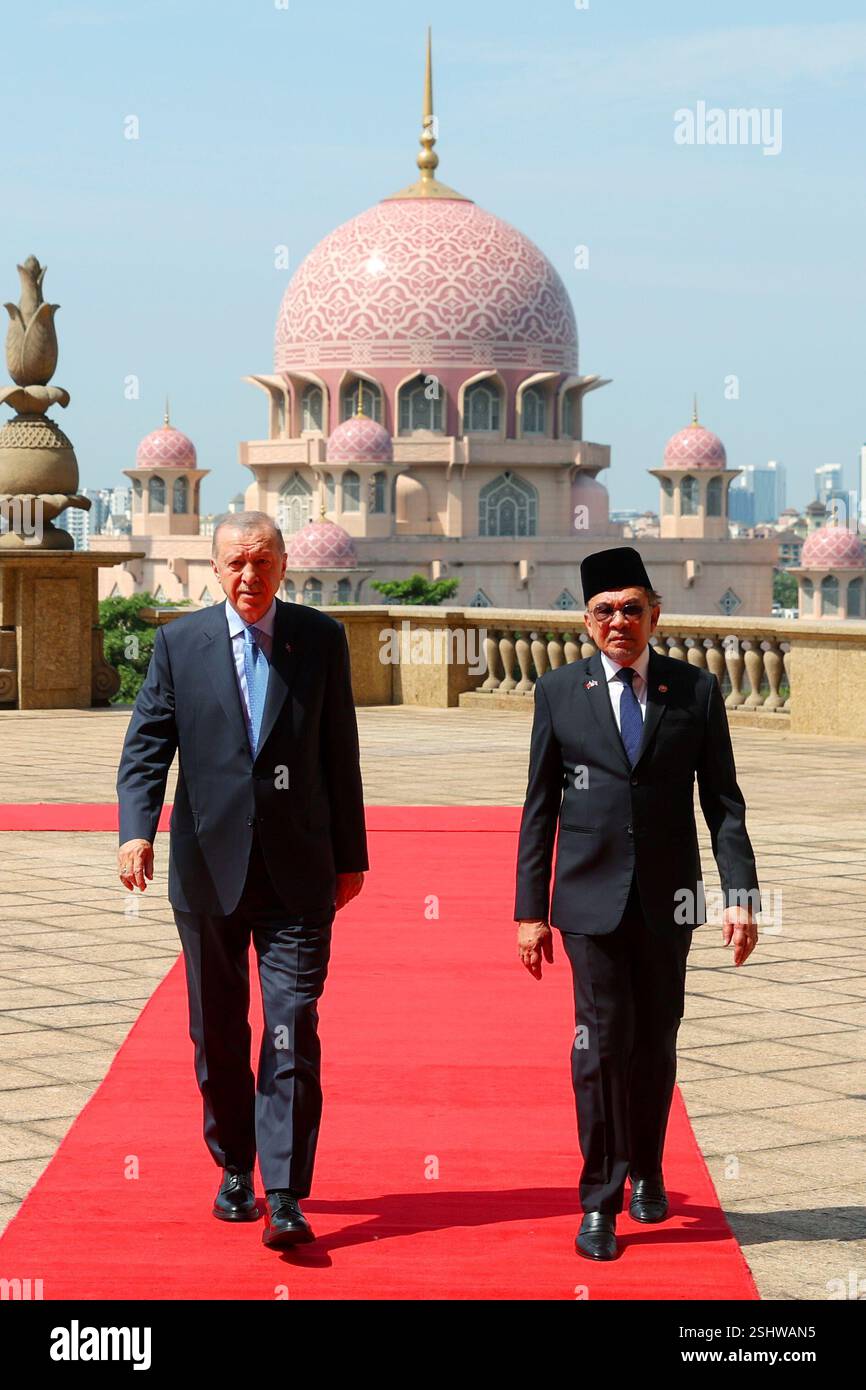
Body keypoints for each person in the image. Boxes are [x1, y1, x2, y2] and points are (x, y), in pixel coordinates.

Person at [116, 511, 367, 1250]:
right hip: (207, 871)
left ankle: (285, 1191)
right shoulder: (180, 644)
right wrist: (136, 830)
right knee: (217, 1032)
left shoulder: (319, 640)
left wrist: (350, 857)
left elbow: (339, 752)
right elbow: (147, 747)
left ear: (284, 565)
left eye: (262, 562)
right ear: (215, 568)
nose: (249, 577)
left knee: (291, 1025)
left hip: (298, 875)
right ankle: (234, 1168)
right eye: (236, 564)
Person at [514, 546, 759, 1261]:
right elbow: (539, 809)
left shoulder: (695, 691)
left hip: (671, 901)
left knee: (655, 1041)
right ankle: (599, 1200)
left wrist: (738, 897)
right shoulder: (560, 692)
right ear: (587, 622)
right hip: (587, 902)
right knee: (599, 1047)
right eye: (603, 611)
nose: (617, 621)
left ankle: (649, 1167)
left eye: (630, 608)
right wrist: (530, 910)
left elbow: (724, 805)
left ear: (654, 612)